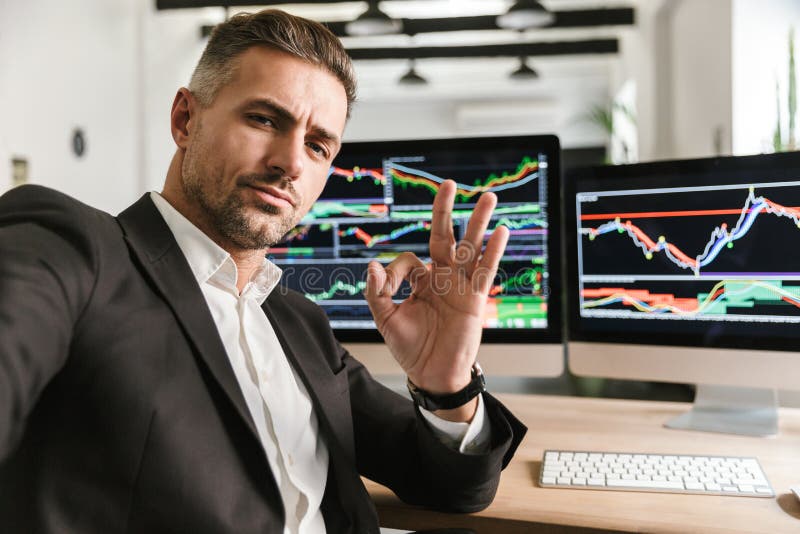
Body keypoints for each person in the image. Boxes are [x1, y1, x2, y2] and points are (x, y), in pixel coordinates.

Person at [0, 9, 525, 534]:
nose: (291, 162)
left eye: (318, 145)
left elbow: (458, 489)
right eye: (265, 120)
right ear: (186, 119)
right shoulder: (76, 249)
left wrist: (447, 386)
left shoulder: (302, 326)